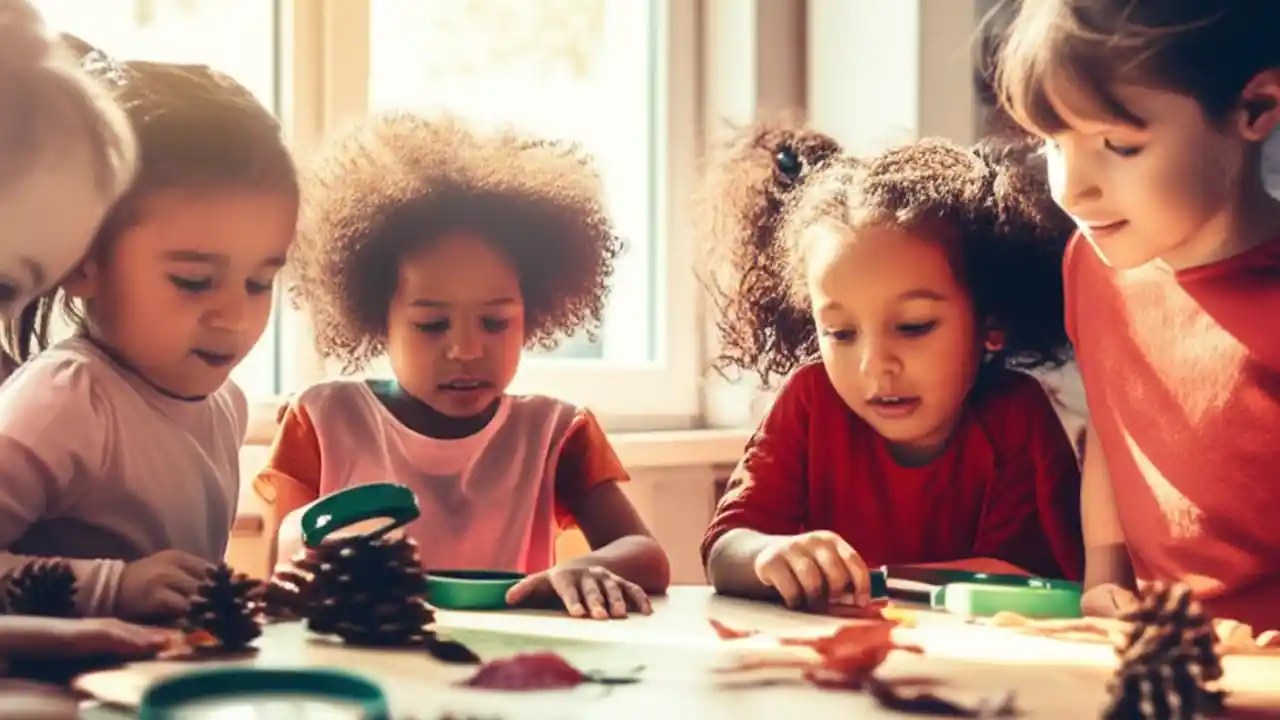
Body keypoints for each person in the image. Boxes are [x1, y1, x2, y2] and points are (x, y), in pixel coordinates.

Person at [257, 114, 669, 620]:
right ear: (374, 314)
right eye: (432, 325)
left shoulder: (557, 433)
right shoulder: (321, 420)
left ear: (532, 312)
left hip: (506, 673)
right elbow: (280, 574)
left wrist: (587, 566)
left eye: (495, 322)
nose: (467, 349)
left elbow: (647, 555)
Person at [699, 120, 1083, 610]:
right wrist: (767, 554)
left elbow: (1019, 582)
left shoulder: (1016, 416)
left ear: (991, 320)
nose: (874, 366)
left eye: (914, 326)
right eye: (839, 333)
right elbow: (726, 548)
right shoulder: (810, 400)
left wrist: (864, 580)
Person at [995, 0, 1280, 628]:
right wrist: (1103, 582)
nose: (1072, 188)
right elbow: (1111, 423)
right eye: (1050, 144)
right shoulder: (1092, 266)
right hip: (1165, 660)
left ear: (1254, 109)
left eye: (1118, 145)